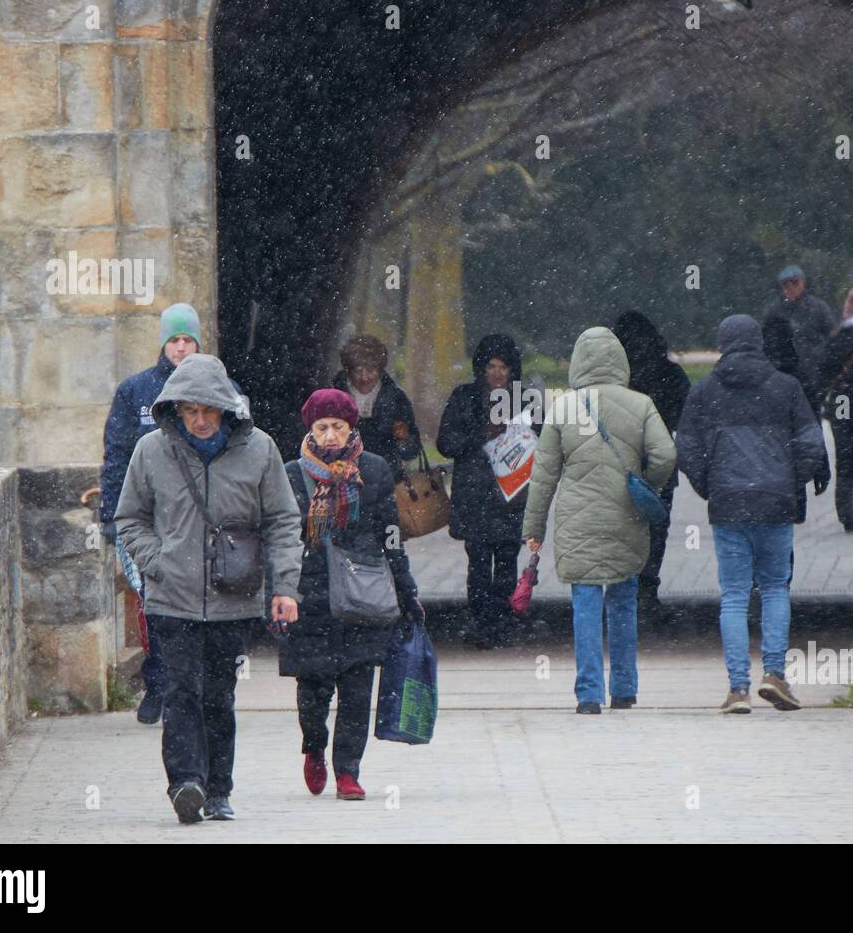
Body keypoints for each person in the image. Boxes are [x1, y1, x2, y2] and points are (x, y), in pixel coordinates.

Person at [115, 354, 303, 824]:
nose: (199, 420)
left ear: (225, 408)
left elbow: (282, 521)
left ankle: (218, 789)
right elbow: (130, 518)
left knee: (219, 695)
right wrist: (157, 562)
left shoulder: (259, 450)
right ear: (175, 409)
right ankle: (185, 783)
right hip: (171, 598)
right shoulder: (151, 452)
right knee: (181, 691)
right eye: (190, 410)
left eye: (208, 410)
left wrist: (284, 588)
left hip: (233, 597)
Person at [278, 389, 424, 801]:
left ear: (351, 427)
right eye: (321, 427)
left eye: (337, 427)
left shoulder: (374, 470)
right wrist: (279, 589)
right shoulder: (291, 474)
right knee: (313, 690)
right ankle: (313, 747)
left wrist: (406, 590)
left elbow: (391, 533)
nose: (329, 436)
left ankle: (348, 771)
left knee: (358, 689)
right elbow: (280, 535)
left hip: (363, 591)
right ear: (310, 428)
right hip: (310, 594)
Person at [676, 315, 826, 715]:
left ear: (723, 343)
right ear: (758, 343)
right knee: (775, 587)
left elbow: (686, 448)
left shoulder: (705, 392)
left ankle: (737, 688)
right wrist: (790, 483)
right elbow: (812, 445)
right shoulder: (787, 388)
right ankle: (774, 674)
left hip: (728, 505)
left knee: (735, 596)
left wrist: (711, 485)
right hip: (775, 505)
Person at [523, 327, 676, 714]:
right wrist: (647, 486)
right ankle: (624, 688)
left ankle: (589, 694)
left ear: (578, 362)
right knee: (624, 599)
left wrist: (534, 529)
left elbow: (543, 477)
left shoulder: (561, 408)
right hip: (626, 513)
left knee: (586, 601)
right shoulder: (641, 405)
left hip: (578, 519)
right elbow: (666, 455)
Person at [99, 303, 206, 725]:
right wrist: (111, 516)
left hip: (199, 519)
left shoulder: (220, 388)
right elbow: (117, 456)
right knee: (152, 601)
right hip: (147, 520)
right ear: (164, 343)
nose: (181, 348)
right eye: (174, 340)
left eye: (187, 340)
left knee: (199, 603)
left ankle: (191, 685)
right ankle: (159, 679)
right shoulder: (135, 391)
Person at [437, 334, 539, 649]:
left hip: (512, 494)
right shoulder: (464, 397)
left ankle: (504, 622)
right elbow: (446, 443)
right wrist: (480, 436)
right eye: (491, 367)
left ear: (512, 370)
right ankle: (481, 622)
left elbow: (543, 440)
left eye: (503, 368)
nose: (496, 373)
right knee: (478, 564)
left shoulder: (525, 399)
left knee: (507, 562)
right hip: (474, 495)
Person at [610, 310, 691, 608]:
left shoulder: (616, 379)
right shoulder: (670, 374)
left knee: (621, 528)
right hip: (660, 462)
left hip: (620, 462)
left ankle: (624, 589)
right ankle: (647, 589)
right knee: (656, 528)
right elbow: (686, 419)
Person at [761, 314, 830, 524]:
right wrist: (820, 465)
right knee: (786, 531)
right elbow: (812, 425)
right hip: (791, 468)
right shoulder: (799, 377)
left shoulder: (756, 377)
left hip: (758, 467)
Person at [330, 334, 422, 483]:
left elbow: (412, 451)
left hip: (385, 482)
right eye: (358, 370)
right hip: (341, 482)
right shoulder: (332, 397)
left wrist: (404, 439)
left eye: (371, 370)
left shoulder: (396, 399)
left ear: (380, 370)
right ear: (348, 370)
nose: (364, 377)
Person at [819, 286, 853, 532]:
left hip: (841, 404)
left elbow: (824, 369)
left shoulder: (838, 338)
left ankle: (845, 511)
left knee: (844, 457)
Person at [763, 265, 836, 400]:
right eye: (786, 284)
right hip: (784, 376)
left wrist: (824, 365)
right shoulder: (773, 311)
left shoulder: (819, 308)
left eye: (795, 282)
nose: (791, 287)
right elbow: (767, 344)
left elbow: (832, 340)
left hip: (814, 377)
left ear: (803, 282)